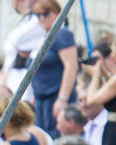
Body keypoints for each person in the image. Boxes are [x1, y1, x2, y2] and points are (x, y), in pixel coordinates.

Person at [30, 1, 79, 135]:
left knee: (54, 136)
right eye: (37, 15)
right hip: (41, 99)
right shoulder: (45, 37)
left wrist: (62, 98)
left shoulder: (62, 34)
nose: (41, 18)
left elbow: (71, 66)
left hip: (55, 97)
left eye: (45, 14)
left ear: (56, 12)